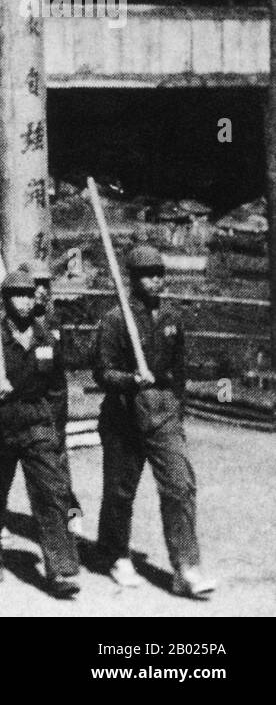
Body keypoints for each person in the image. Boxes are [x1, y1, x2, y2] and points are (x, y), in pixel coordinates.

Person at [94, 244, 215, 599]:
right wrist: (131, 379)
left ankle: (186, 569)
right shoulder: (116, 319)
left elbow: (178, 370)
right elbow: (101, 372)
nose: (156, 280)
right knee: (120, 491)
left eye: (159, 273)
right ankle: (115, 553)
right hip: (123, 415)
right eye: (148, 274)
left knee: (180, 485)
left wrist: (179, 408)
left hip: (163, 413)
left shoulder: (172, 318)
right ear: (131, 279)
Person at [0, 268, 81, 599]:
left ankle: (60, 569)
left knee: (52, 494)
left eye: (28, 295)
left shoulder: (46, 338)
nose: (23, 301)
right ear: (4, 301)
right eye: (16, 295)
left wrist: (56, 429)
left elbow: (57, 388)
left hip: (37, 426)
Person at [26, 257, 83, 535]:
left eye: (45, 284)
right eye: (36, 284)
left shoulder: (54, 319)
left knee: (58, 460)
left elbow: (67, 361)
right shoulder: (13, 323)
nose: (41, 290)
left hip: (54, 403)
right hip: (26, 404)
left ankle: (71, 513)